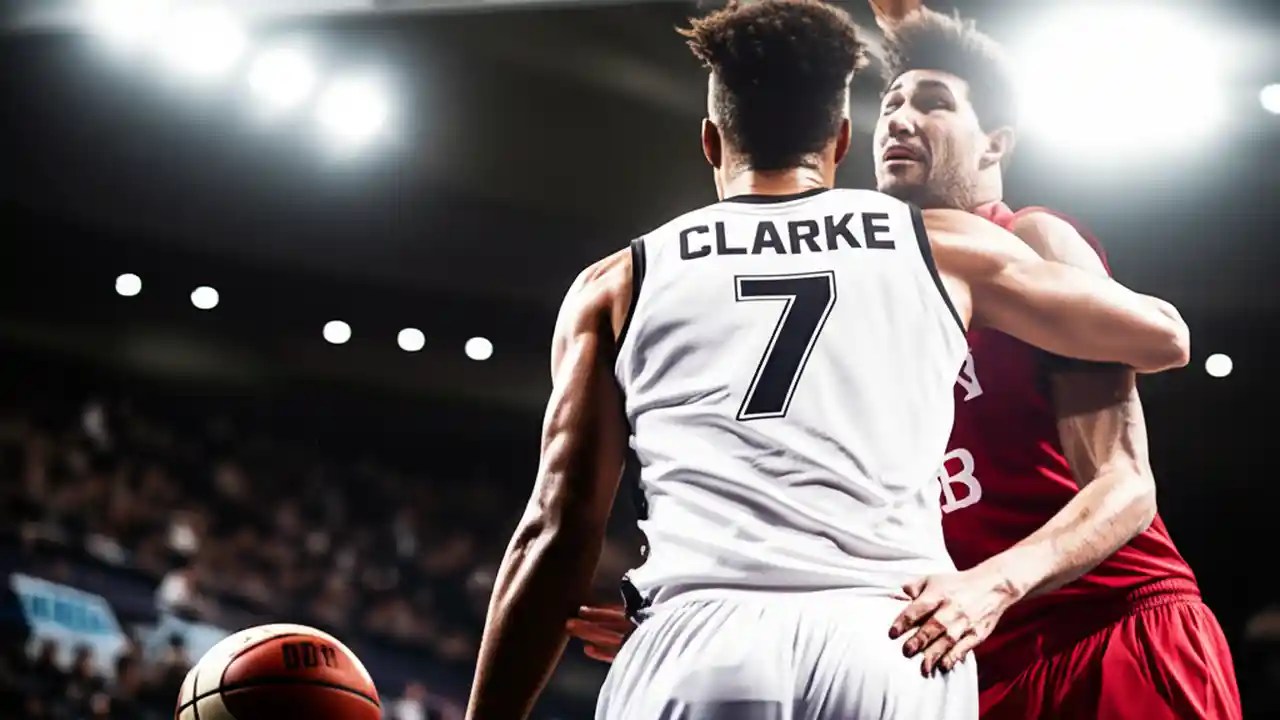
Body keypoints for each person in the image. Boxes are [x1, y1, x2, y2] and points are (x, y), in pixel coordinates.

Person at [465, 2, 1188, 719]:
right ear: (842, 140)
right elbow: (1161, 338)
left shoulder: (618, 281)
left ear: (711, 142)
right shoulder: (934, 243)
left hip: (700, 635)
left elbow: (555, 531)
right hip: (890, 638)